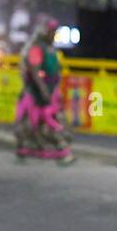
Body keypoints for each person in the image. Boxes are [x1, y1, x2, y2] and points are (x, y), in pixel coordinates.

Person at [14, 17, 73, 163]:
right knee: (37, 122)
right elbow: (34, 71)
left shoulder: (51, 49)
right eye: (52, 31)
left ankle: (57, 151)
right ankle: (62, 152)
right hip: (36, 92)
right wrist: (43, 89)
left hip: (49, 91)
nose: (54, 34)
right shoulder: (37, 48)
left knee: (50, 122)